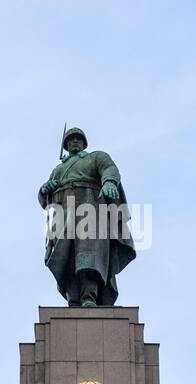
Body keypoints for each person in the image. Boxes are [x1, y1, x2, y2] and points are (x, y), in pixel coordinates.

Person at [38, 127, 137, 307]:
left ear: (84, 142)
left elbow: (110, 168)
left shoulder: (95, 157)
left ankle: (88, 296)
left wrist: (108, 181)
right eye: (70, 140)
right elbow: (45, 200)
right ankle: (73, 297)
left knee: (88, 255)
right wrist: (45, 190)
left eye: (78, 139)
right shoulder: (58, 169)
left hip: (89, 206)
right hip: (63, 211)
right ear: (66, 145)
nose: (74, 141)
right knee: (66, 257)